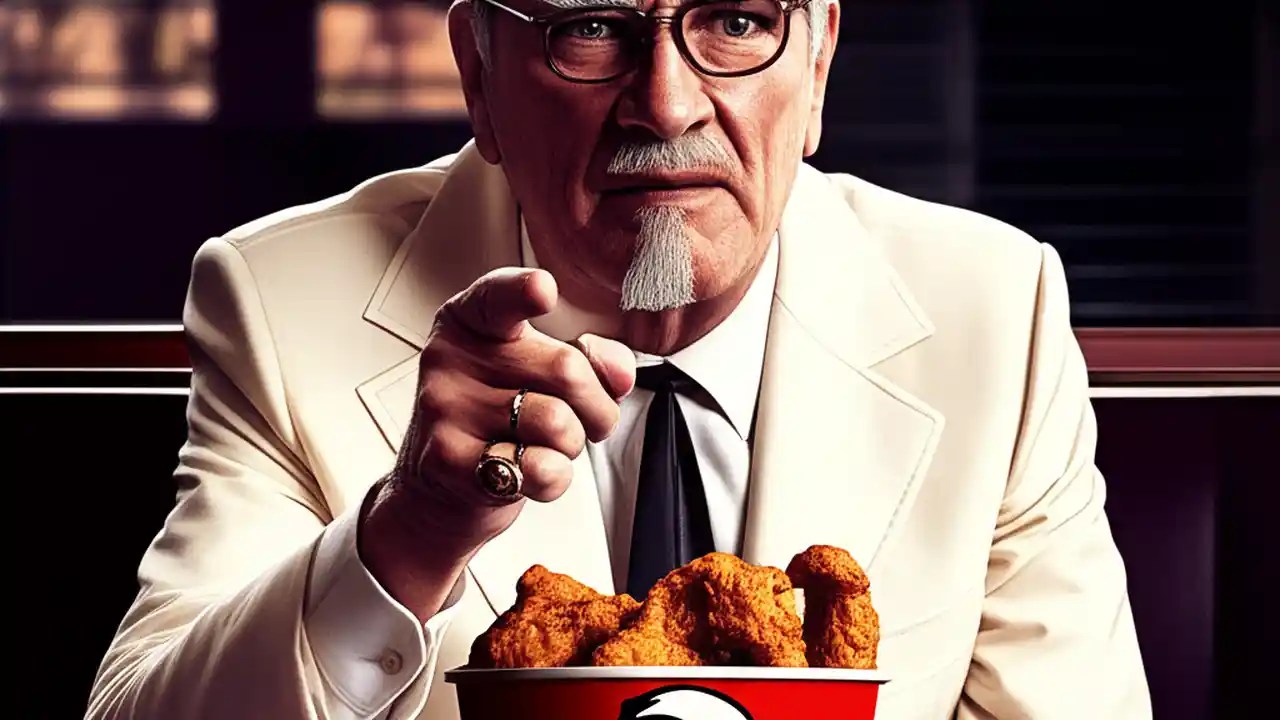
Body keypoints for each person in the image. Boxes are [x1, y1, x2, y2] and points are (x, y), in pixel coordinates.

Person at [85, 0, 1153, 718]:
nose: (667, 105)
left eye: (737, 20)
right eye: (590, 28)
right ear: (479, 75)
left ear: (818, 60)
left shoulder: (991, 311)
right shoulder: (281, 301)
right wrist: (408, 532)